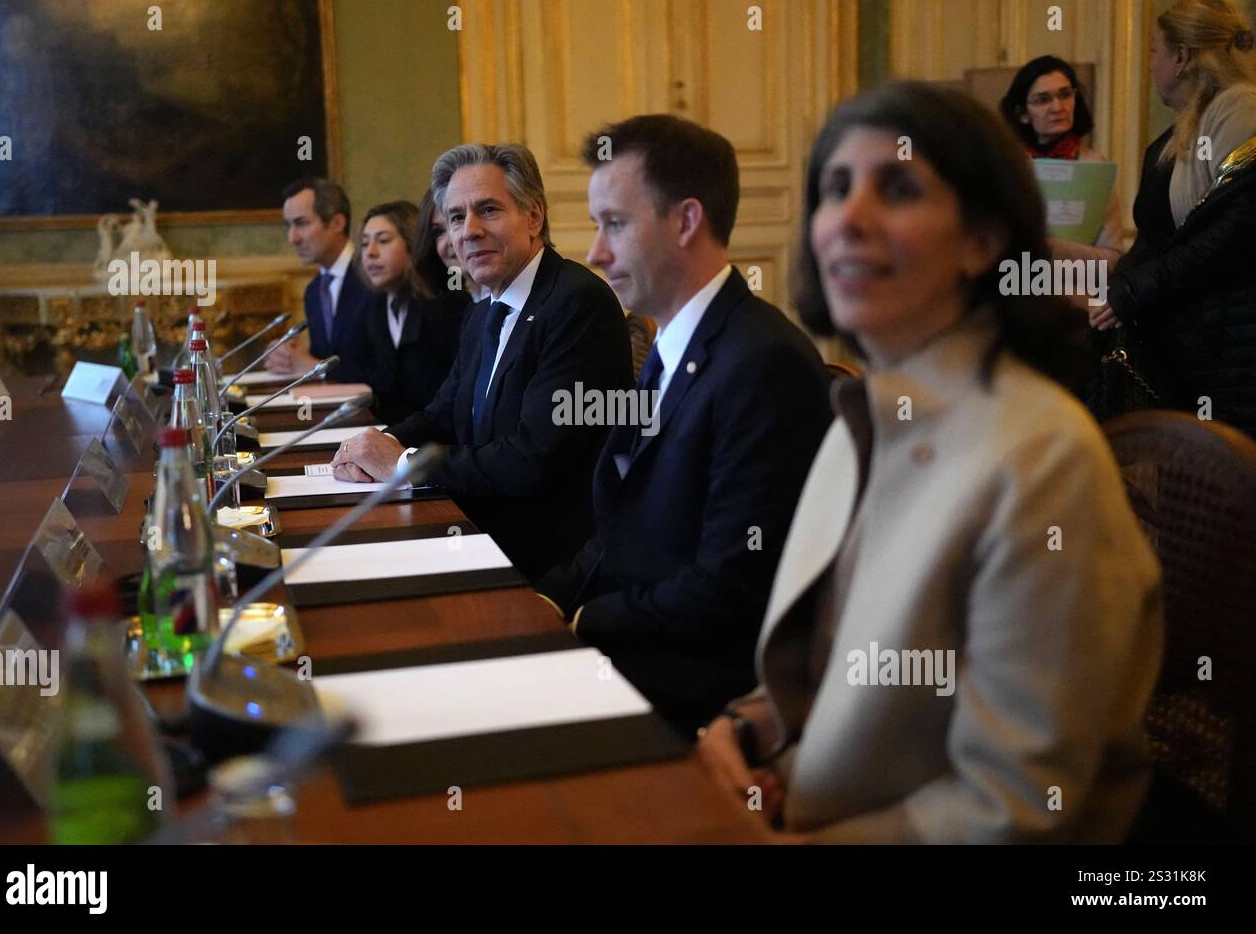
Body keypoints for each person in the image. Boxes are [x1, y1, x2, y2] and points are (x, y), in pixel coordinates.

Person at [698, 81, 1163, 843]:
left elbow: (1012, 807)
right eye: (834, 189)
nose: (848, 217)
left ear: (984, 239)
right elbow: (834, 663)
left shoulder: (1043, 461)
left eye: (900, 188)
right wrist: (742, 729)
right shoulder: (865, 412)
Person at [535, 115, 833, 734]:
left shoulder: (762, 362)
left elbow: (728, 590)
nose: (595, 252)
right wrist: (544, 597)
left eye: (614, 224)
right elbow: (624, 529)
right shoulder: (670, 341)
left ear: (686, 220)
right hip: (635, 643)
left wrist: (585, 620)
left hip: (696, 688)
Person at [331, 143, 633, 579]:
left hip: (549, 561)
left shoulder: (576, 302)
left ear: (534, 216)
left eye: (488, 210)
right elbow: (444, 414)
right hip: (478, 532)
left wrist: (401, 462)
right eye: (456, 217)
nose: (468, 231)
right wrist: (370, 445)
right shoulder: (483, 310)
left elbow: (532, 459)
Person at [1094, 0, 1256, 436]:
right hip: (1201, 344)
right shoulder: (1188, 125)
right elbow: (1158, 238)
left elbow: (1231, 232)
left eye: (1153, 50)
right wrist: (1117, 291)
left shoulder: (1239, 108)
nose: (1150, 64)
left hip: (1233, 350)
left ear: (1181, 56)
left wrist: (1132, 292)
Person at [999, 54, 1123, 268]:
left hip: (1076, 289)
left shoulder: (1095, 167)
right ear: (1022, 114)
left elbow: (1113, 260)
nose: (1057, 107)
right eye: (1043, 99)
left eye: (1065, 94)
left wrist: (1054, 248)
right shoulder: (1005, 166)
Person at [357, 200, 467, 426]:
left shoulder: (445, 302)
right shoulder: (376, 306)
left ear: (414, 243)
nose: (370, 253)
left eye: (383, 240)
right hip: (393, 435)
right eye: (364, 243)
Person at [271, 177, 376, 383]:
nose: (292, 238)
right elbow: (325, 357)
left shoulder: (372, 277)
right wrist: (288, 358)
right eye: (288, 226)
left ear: (337, 223)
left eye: (301, 223)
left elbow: (386, 369)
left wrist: (313, 367)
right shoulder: (314, 291)